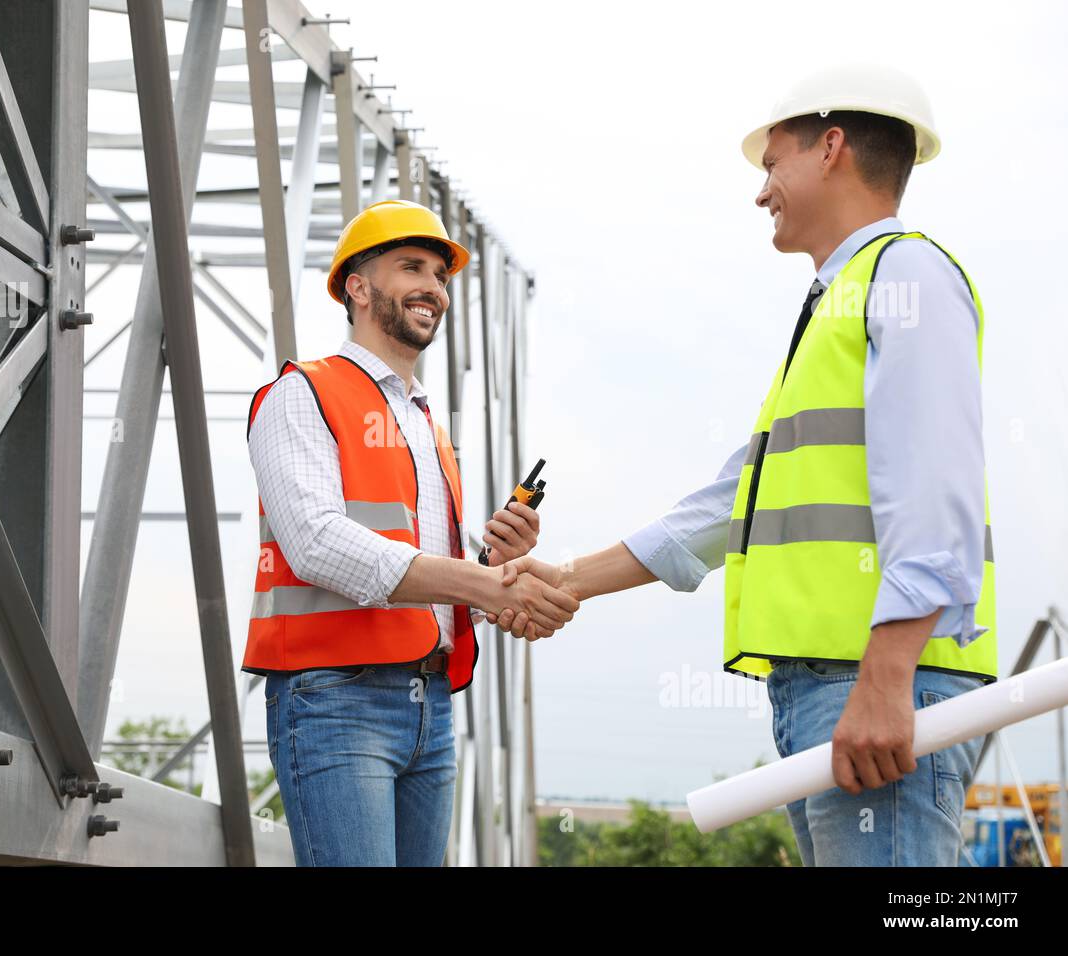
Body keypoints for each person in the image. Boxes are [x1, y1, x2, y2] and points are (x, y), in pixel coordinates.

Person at [488, 65, 997, 867]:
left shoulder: (905, 276)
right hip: (826, 691)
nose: (762, 192)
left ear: (831, 148)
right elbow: (732, 505)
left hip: (875, 685)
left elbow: (939, 492)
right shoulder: (835, 309)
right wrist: (569, 579)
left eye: (771, 163)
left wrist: (886, 678)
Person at [243, 199, 579, 866]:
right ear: (359, 289)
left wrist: (491, 572)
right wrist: (483, 582)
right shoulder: (299, 394)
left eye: (441, 275)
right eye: (412, 267)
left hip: (431, 707)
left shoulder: (429, 427)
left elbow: (423, 593)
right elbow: (317, 544)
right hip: (337, 702)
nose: (434, 286)